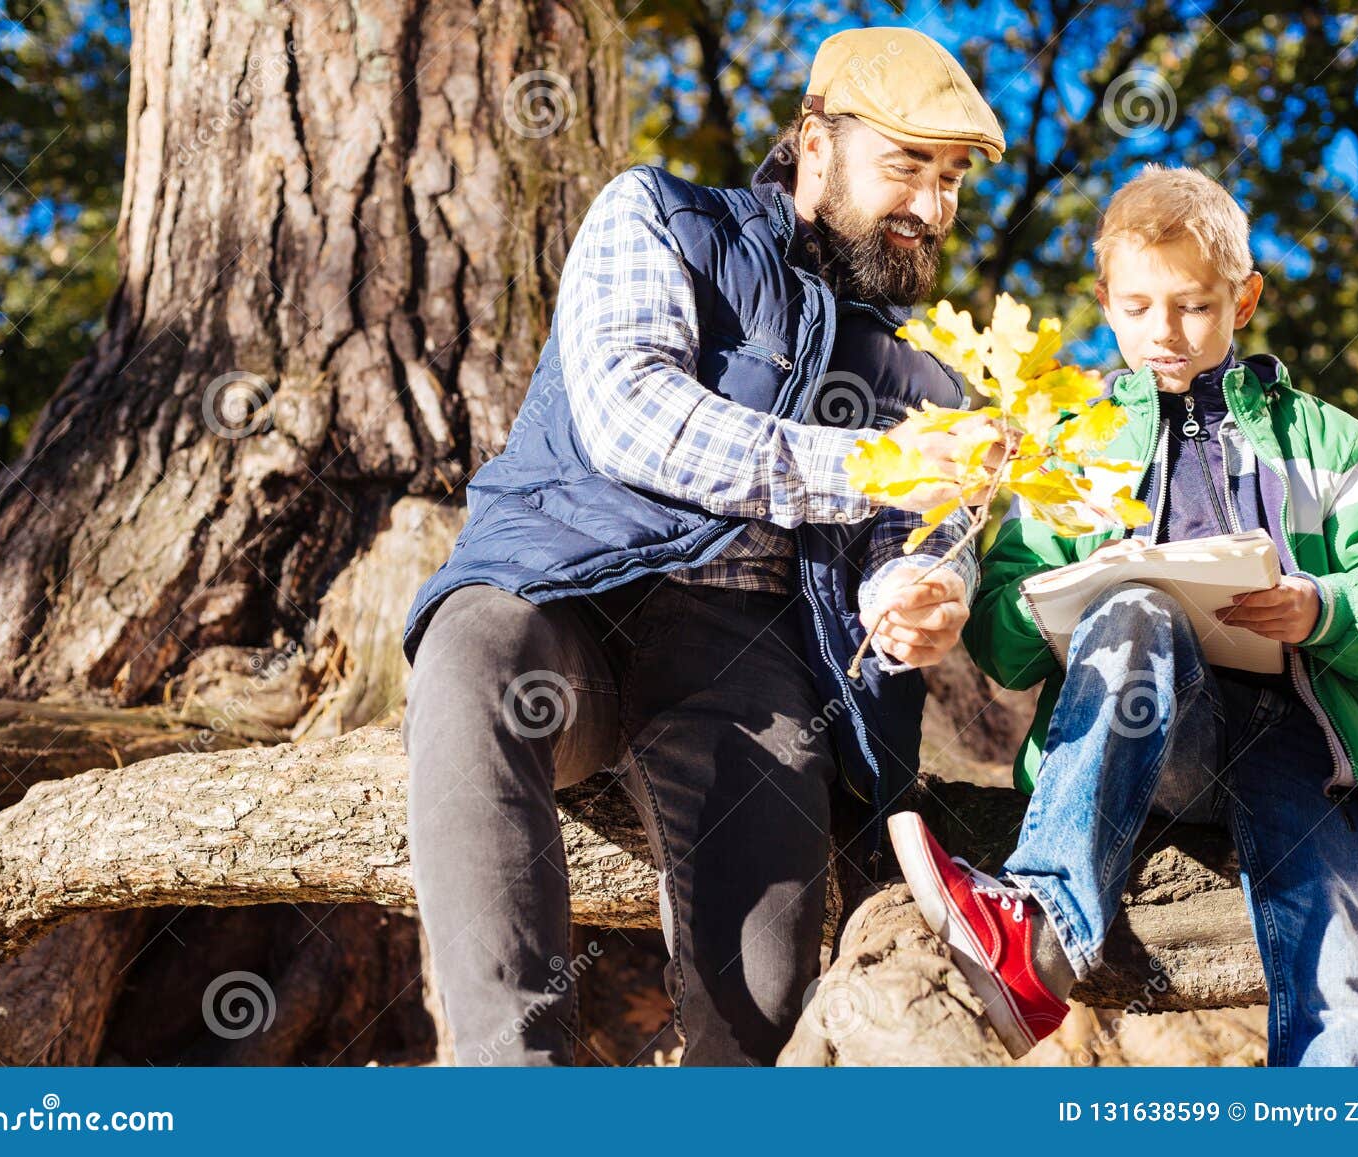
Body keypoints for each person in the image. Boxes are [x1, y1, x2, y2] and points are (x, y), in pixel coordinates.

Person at [400, 27, 1007, 1065]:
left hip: (749, 668)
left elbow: (921, 541)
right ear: (815, 142)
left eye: (949, 177)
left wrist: (919, 588)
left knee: (756, 1017)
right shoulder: (657, 216)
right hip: (567, 589)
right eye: (904, 163)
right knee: (471, 655)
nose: (932, 204)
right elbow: (633, 415)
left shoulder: (928, 375)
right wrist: (871, 466)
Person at [889, 165, 1358, 1066]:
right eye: (1140, 307)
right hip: (1150, 739)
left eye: (1192, 306)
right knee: (1137, 603)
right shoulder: (1072, 448)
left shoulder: (1334, 443)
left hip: (1307, 747)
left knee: (1343, 997)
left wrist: (1322, 605)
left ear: (1245, 298)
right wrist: (1070, 596)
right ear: (1106, 300)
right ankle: (1037, 938)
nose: (1165, 332)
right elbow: (999, 637)